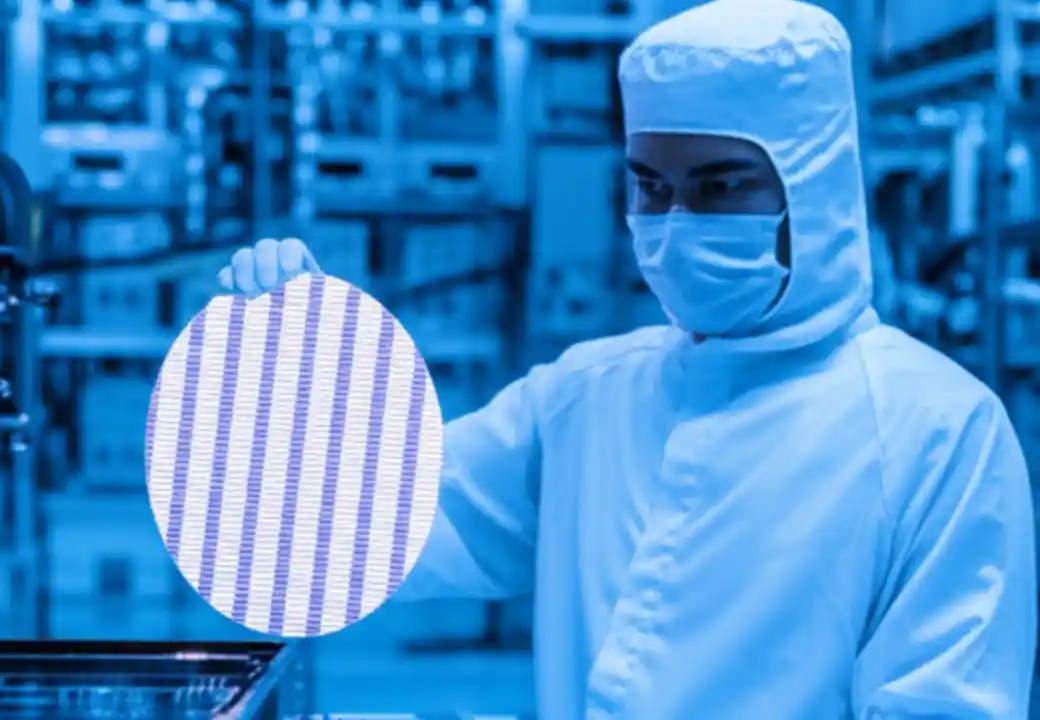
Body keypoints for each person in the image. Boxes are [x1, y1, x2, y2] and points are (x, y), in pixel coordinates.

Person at [218, 0, 1038, 717]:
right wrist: (292, 374)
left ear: (813, 187)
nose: (675, 224)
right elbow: (353, 532)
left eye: (721, 187)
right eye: (651, 186)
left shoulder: (938, 433)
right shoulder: (590, 397)